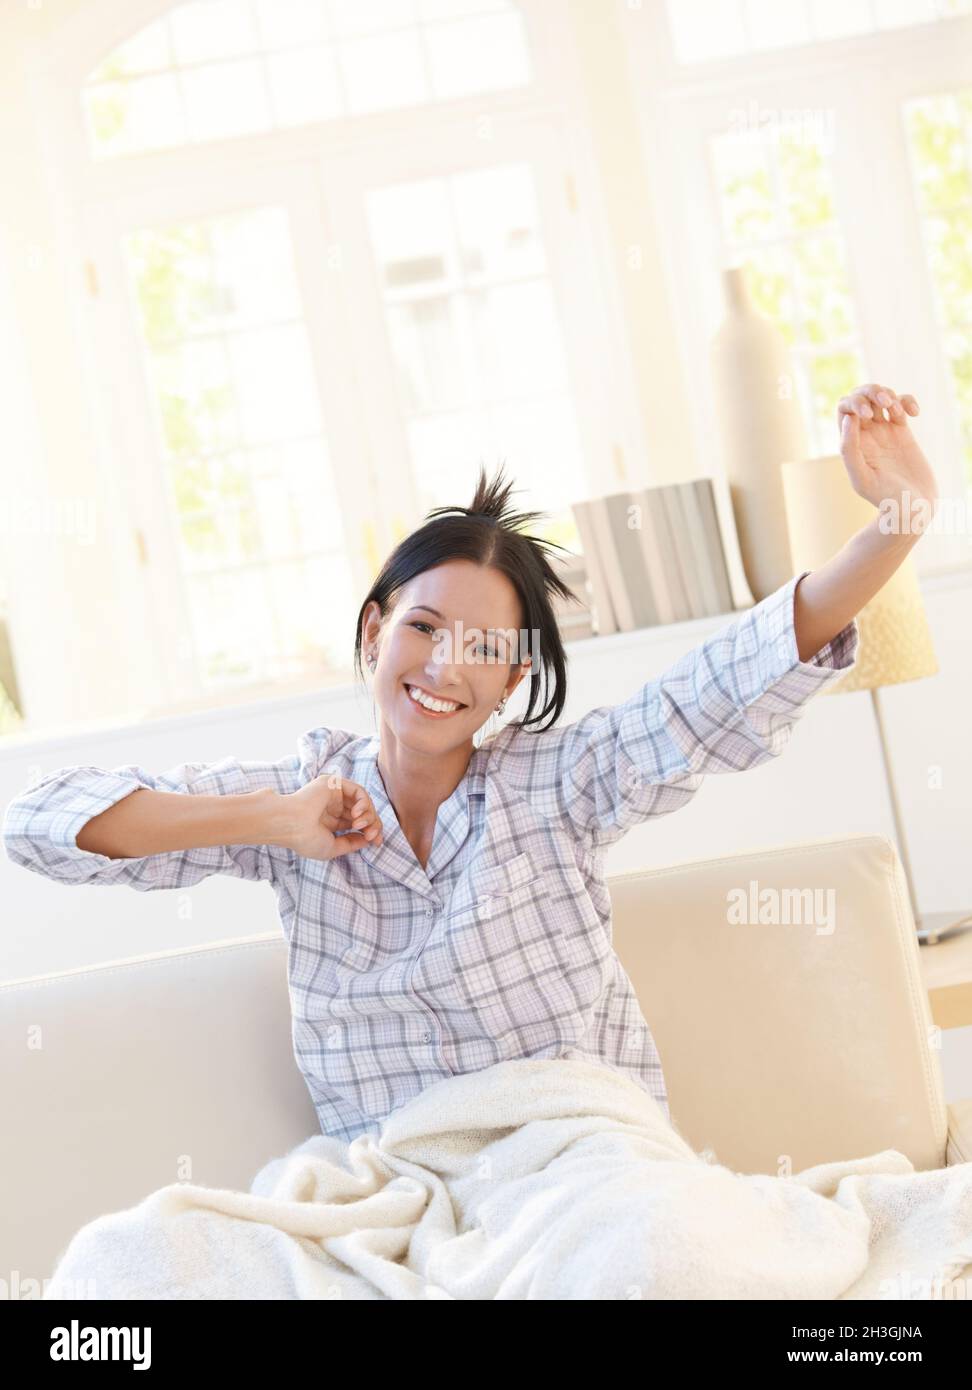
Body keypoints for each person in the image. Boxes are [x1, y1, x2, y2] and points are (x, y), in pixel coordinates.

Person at [3, 382, 937, 1145]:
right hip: (399, 1203)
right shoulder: (297, 801)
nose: (448, 667)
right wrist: (273, 821)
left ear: (515, 678)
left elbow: (717, 688)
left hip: (580, 1172)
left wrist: (895, 523)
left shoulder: (561, 786)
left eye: (486, 648)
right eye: (423, 628)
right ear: (376, 633)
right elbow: (39, 823)